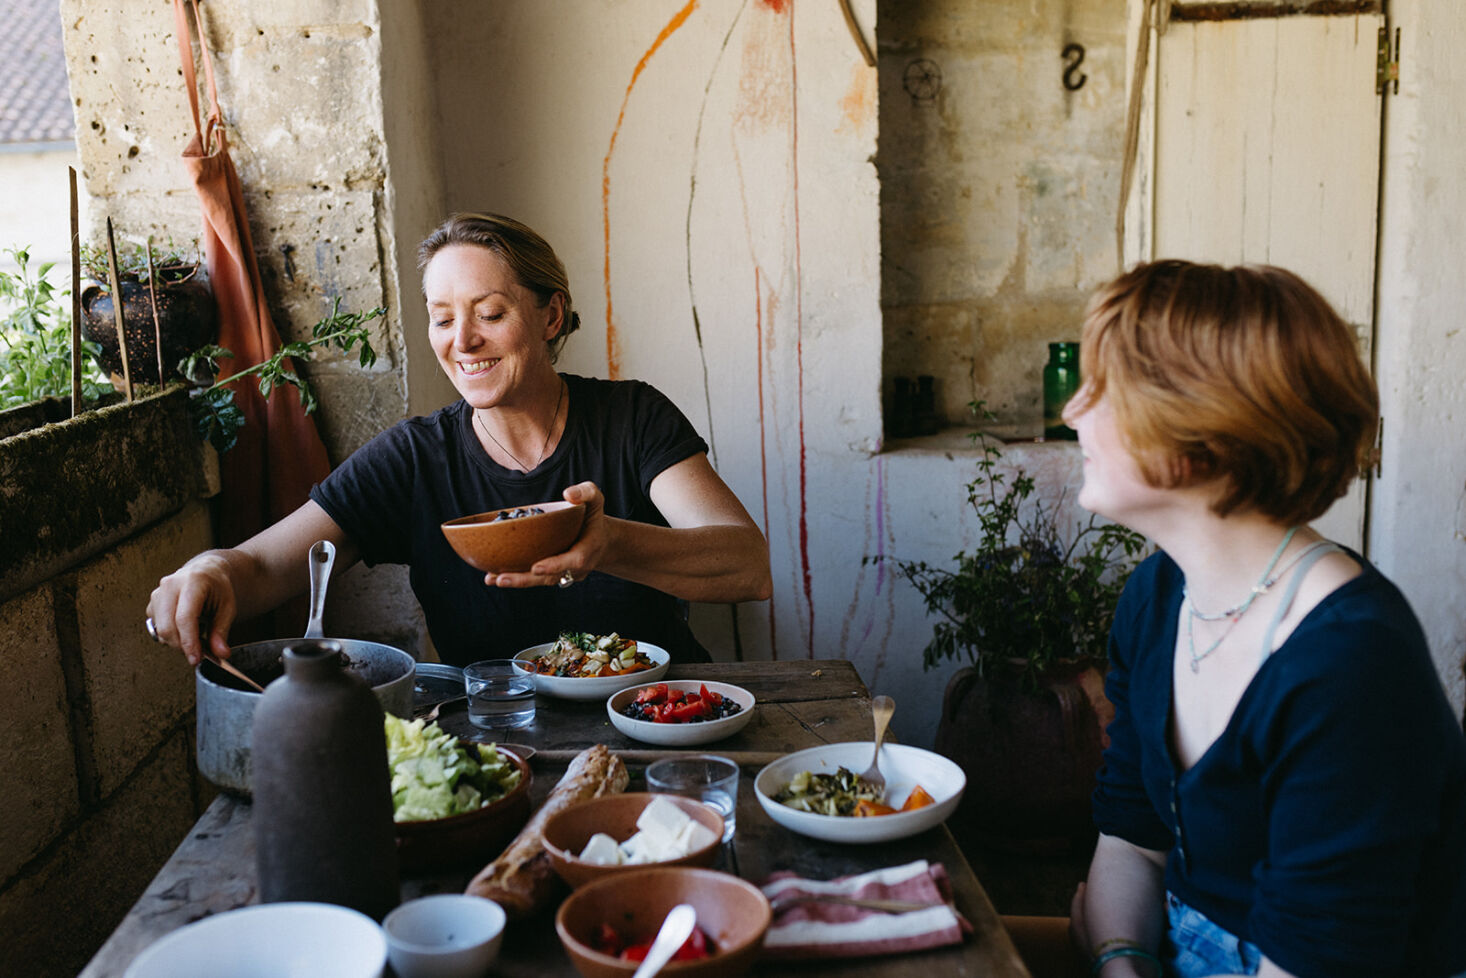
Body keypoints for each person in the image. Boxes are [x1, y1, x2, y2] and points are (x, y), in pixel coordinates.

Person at [1058, 260, 1466, 978]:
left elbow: (1322, 953)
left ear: (1198, 431)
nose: (1071, 411)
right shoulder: (1155, 597)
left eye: (1102, 389)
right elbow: (1132, 839)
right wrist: (1121, 959)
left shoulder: (1350, 664)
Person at [147, 212, 772, 667]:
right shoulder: (416, 459)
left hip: (665, 718)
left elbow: (747, 564)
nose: (462, 341)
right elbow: (261, 564)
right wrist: (212, 571)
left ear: (550, 315)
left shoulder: (631, 418)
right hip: (502, 742)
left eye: (491, 314)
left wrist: (607, 544)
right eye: (443, 318)